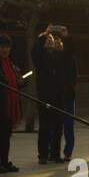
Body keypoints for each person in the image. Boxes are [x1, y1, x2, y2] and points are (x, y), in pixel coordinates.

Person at [0, 33, 25, 172]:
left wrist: (21, 81)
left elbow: (15, 81)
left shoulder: (10, 61)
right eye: (2, 47)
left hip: (11, 102)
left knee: (6, 134)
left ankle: (5, 161)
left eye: (8, 47)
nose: (6, 50)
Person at [32, 28, 67, 164]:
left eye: (51, 39)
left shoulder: (59, 56)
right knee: (45, 126)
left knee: (58, 127)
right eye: (47, 40)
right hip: (45, 95)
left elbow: (69, 54)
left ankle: (55, 154)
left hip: (59, 95)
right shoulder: (40, 57)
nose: (50, 41)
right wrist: (44, 35)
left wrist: (65, 36)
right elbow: (35, 51)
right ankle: (42, 155)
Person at [52, 25, 77, 160]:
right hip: (53, 96)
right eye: (54, 43)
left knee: (68, 125)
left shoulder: (68, 57)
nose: (57, 45)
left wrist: (66, 35)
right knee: (53, 126)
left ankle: (68, 152)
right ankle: (51, 150)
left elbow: (70, 49)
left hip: (67, 95)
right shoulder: (49, 58)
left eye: (59, 42)